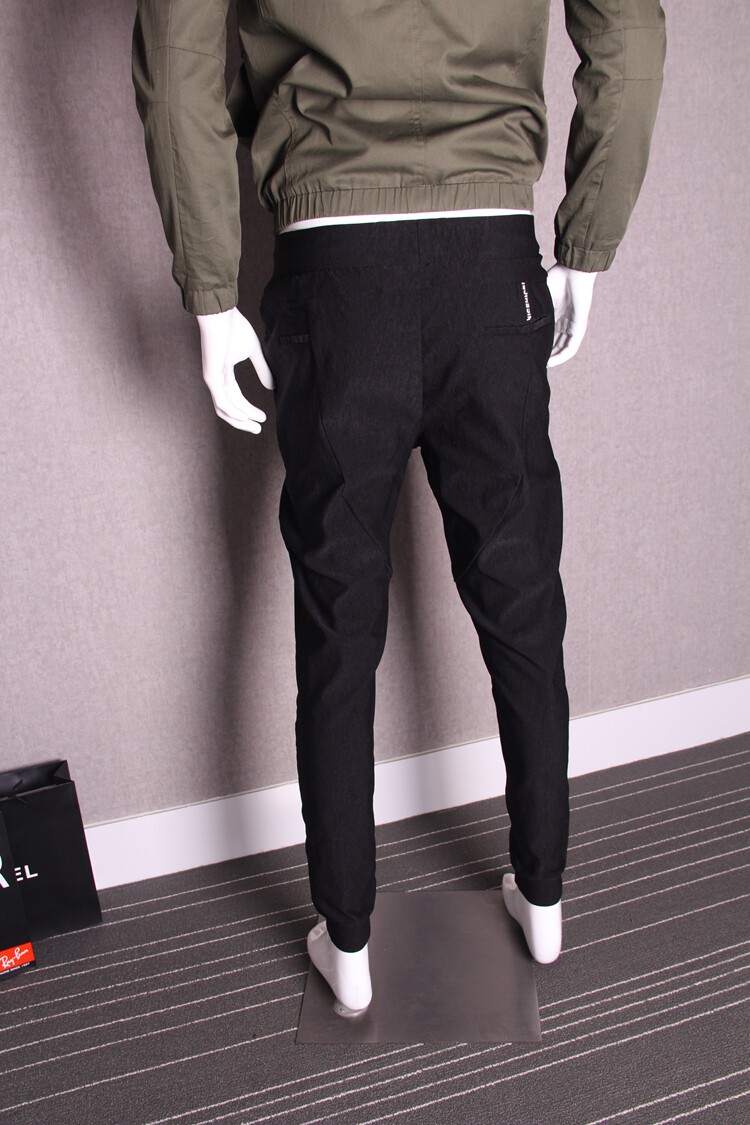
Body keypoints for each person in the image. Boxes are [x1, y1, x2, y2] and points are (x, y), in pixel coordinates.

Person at [132, 0, 667, 1018]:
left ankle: (348, 939)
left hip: (334, 269)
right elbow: (630, 32)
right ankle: (543, 896)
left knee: (339, 623)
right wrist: (587, 245)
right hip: (490, 262)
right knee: (522, 600)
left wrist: (210, 292)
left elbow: (177, 51)